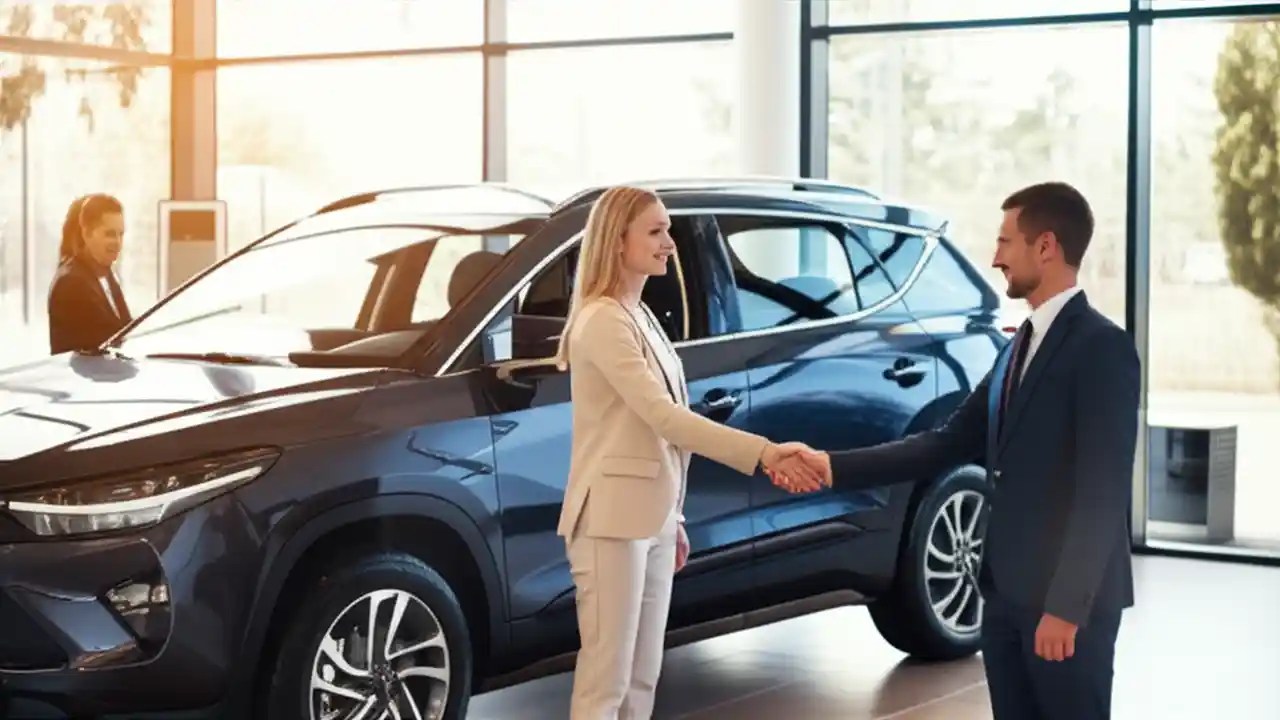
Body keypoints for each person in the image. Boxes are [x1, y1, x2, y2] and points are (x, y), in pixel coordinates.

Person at [783, 182, 1139, 720]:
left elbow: (1102, 491)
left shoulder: (1102, 347)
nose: (995, 258)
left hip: (1066, 607)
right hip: (1003, 597)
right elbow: (946, 441)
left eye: (1005, 242)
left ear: (1046, 246)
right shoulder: (1017, 345)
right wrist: (832, 466)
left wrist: (1066, 610)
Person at [555, 186, 830, 720]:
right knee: (605, 682)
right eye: (656, 232)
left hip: (650, 517)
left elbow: (656, 430)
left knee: (641, 677)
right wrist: (766, 453)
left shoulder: (641, 316)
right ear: (618, 241)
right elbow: (665, 417)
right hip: (610, 521)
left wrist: (673, 517)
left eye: (667, 230)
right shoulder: (602, 320)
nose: (670, 244)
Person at [47, 193, 132, 355]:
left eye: (121, 234)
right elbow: (100, 342)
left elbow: (125, 329)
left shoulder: (106, 275)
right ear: (86, 234)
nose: (118, 243)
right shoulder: (71, 282)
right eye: (109, 234)